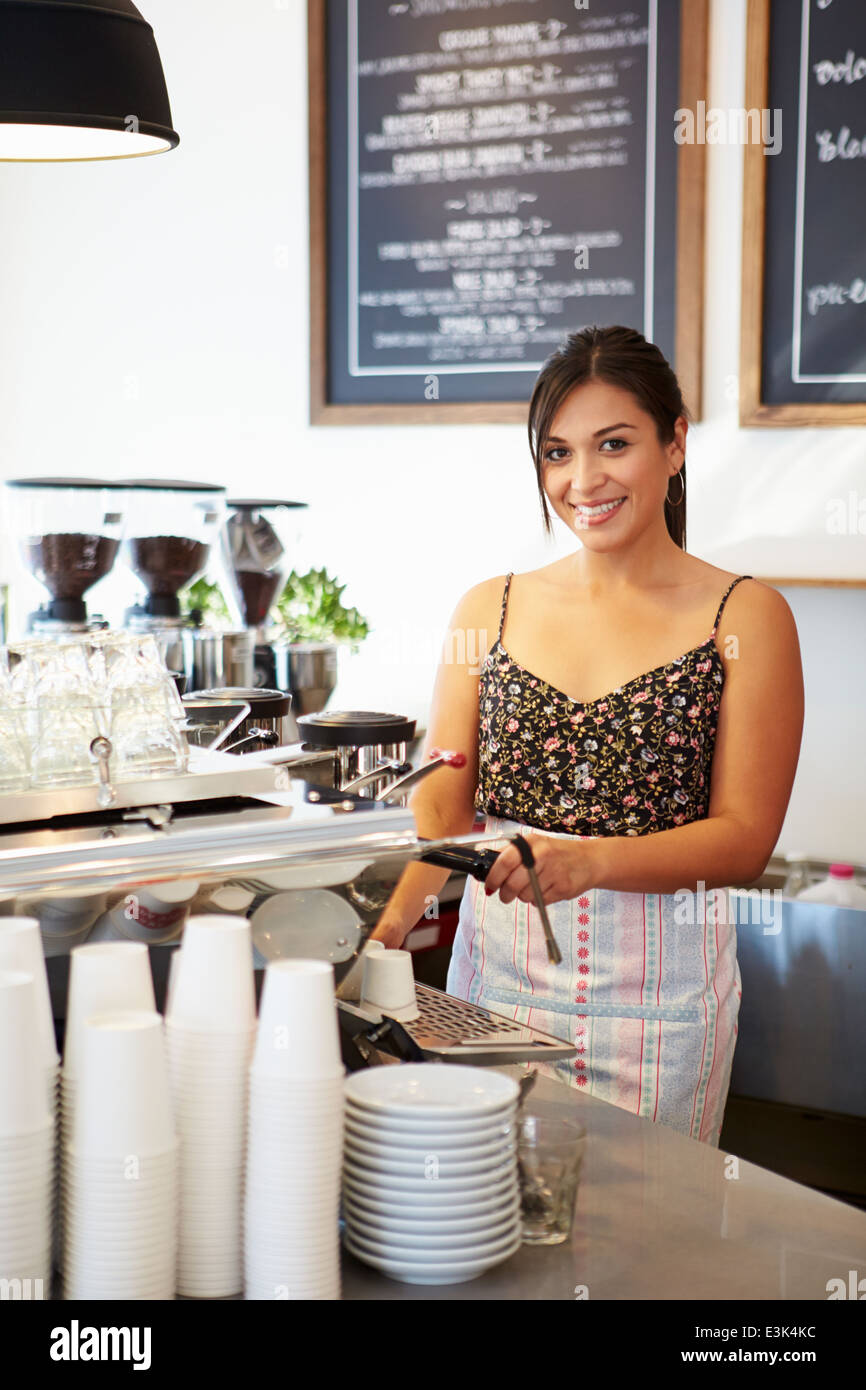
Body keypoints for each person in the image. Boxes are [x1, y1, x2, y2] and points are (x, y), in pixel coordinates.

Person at [371, 325, 804, 1147]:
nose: (583, 480)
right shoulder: (487, 609)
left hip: (662, 1015)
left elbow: (744, 841)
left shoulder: (744, 617)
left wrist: (589, 861)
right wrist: (387, 931)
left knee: (643, 1254)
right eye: (557, 454)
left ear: (675, 443)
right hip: (488, 999)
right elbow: (444, 819)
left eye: (614, 444)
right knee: (480, 1231)